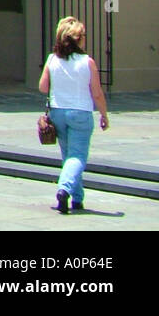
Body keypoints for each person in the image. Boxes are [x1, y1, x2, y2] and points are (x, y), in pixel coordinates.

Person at [39, 16, 110, 214]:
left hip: (58, 112)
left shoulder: (52, 59)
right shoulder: (87, 62)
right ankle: (64, 190)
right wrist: (104, 115)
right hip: (81, 112)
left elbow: (43, 87)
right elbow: (97, 93)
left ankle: (77, 199)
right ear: (78, 40)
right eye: (83, 36)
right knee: (78, 156)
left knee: (69, 156)